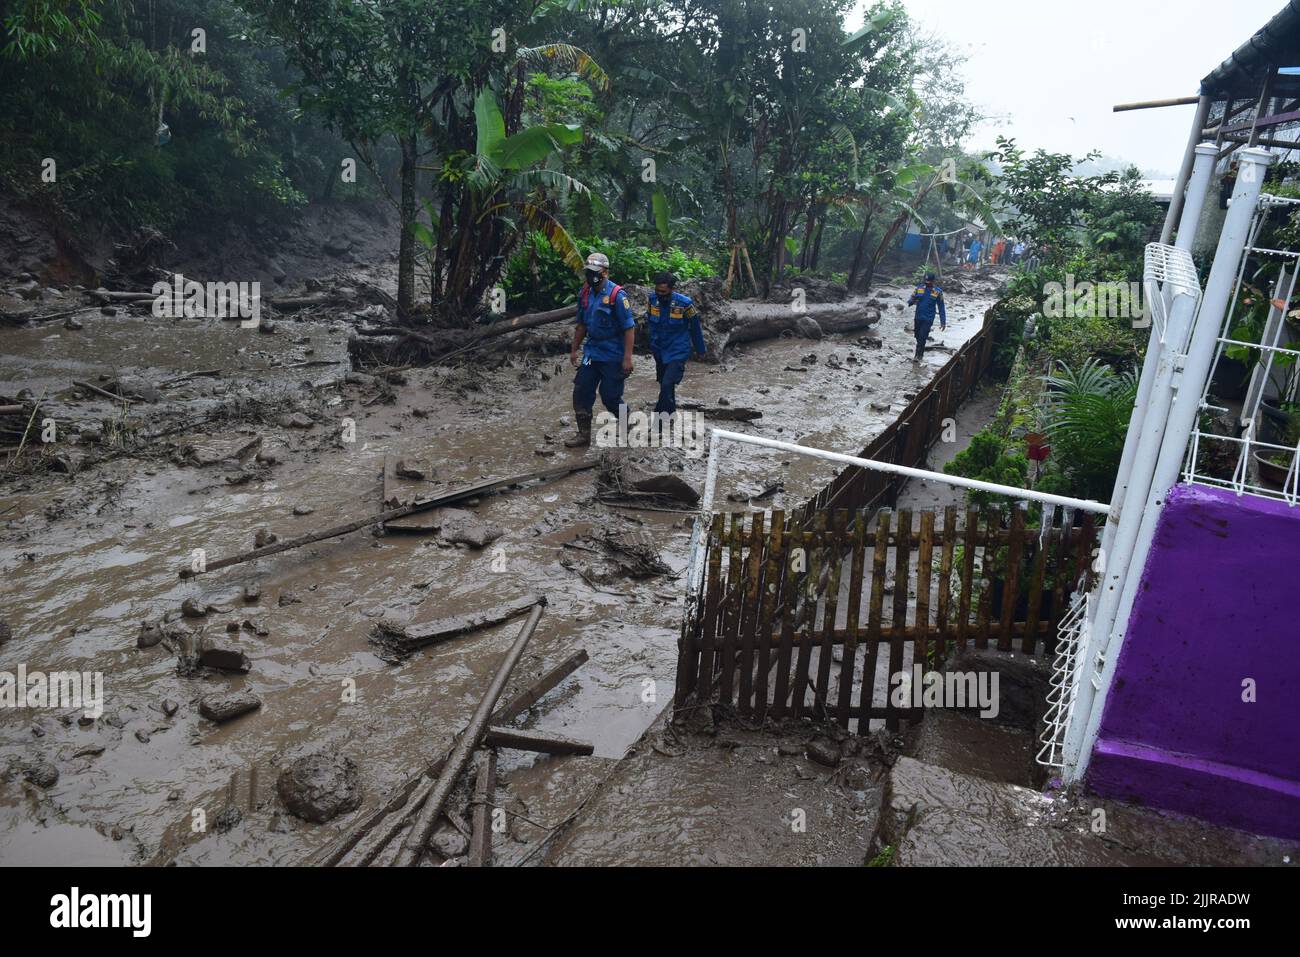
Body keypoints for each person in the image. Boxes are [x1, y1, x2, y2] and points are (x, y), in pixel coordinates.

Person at [565, 252, 635, 448]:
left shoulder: (617, 296)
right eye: (588, 272)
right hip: (591, 354)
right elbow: (581, 324)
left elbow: (629, 328)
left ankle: (627, 422)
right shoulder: (585, 293)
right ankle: (583, 435)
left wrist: (627, 358)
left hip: (613, 354)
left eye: (594, 272)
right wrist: (574, 349)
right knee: (581, 389)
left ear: (605, 272)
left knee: (610, 395)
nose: (590, 276)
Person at [645, 271, 706, 415]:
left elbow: (695, 327)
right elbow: (650, 323)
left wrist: (700, 351)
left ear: (672, 289)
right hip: (659, 349)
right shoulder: (652, 300)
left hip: (678, 350)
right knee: (664, 383)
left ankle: (661, 420)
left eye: (664, 292)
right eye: (657, 291)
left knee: (667, 383)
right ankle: (670, 412)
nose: (660, 294)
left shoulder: (685, 304)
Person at [907, 271, 946, 363]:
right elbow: (911, 299)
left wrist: (943, 322)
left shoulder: (938, 292)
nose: (927, 283)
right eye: (926, 281)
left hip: (928, 319)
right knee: (917, 335)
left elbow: (941, 307)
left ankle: (918, 356)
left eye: (929, 282)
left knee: (922, 336)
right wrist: (911, 301)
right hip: (918, 317)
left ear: (933, 281)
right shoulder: (919, 288)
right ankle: (920, 350)